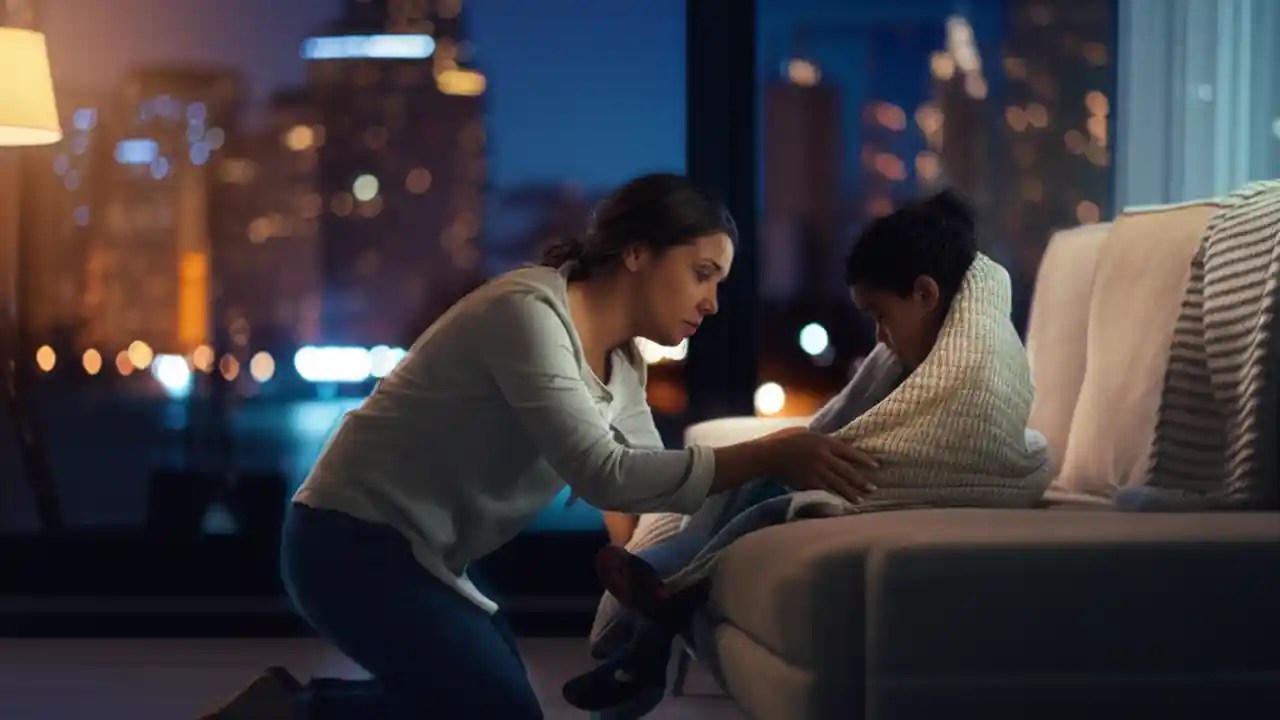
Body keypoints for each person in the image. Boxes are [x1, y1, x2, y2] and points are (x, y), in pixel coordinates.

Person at [199, 173, 878, 720]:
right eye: (702, 273)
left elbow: (640, 493)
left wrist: (648, 588)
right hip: (345, 542)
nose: (712, 302)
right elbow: (606, 473)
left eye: (720, 283)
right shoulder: (528, 314)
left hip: (423, 558)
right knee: (499, 713)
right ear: (637, 251)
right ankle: (294, 711)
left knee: (472, 703)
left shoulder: (623, 366)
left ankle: (287, 708)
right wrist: (771, 453)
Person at [563, 188, 1046, 712]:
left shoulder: (978, 367)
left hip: (921, 487)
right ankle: (650, 627)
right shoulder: (918, 348)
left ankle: (656, 599)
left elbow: (955, 440)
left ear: (926, 294)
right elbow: (856, 417)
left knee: (771, 488)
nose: (881, 337)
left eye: (882, 316)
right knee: (766, 470)